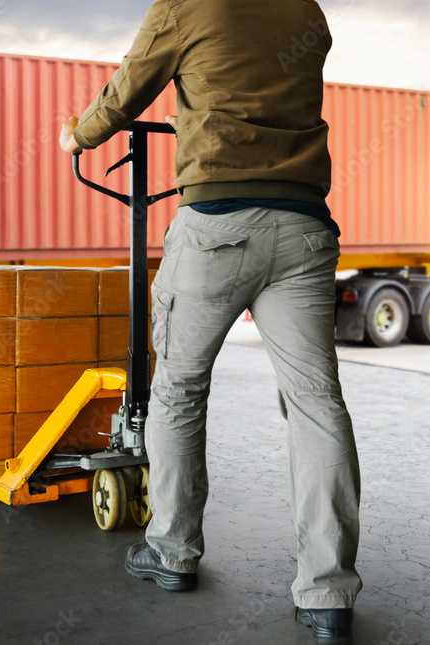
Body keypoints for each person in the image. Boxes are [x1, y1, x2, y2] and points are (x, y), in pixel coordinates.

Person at [59, 1, 361, 643]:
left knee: (179, 391)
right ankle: (328, 592)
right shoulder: (305, 10)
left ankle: (170, 551)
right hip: (305, 225)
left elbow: (126, 89)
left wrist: (77, 134)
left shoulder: (186, 5)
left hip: (219, 222)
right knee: (317, 405)